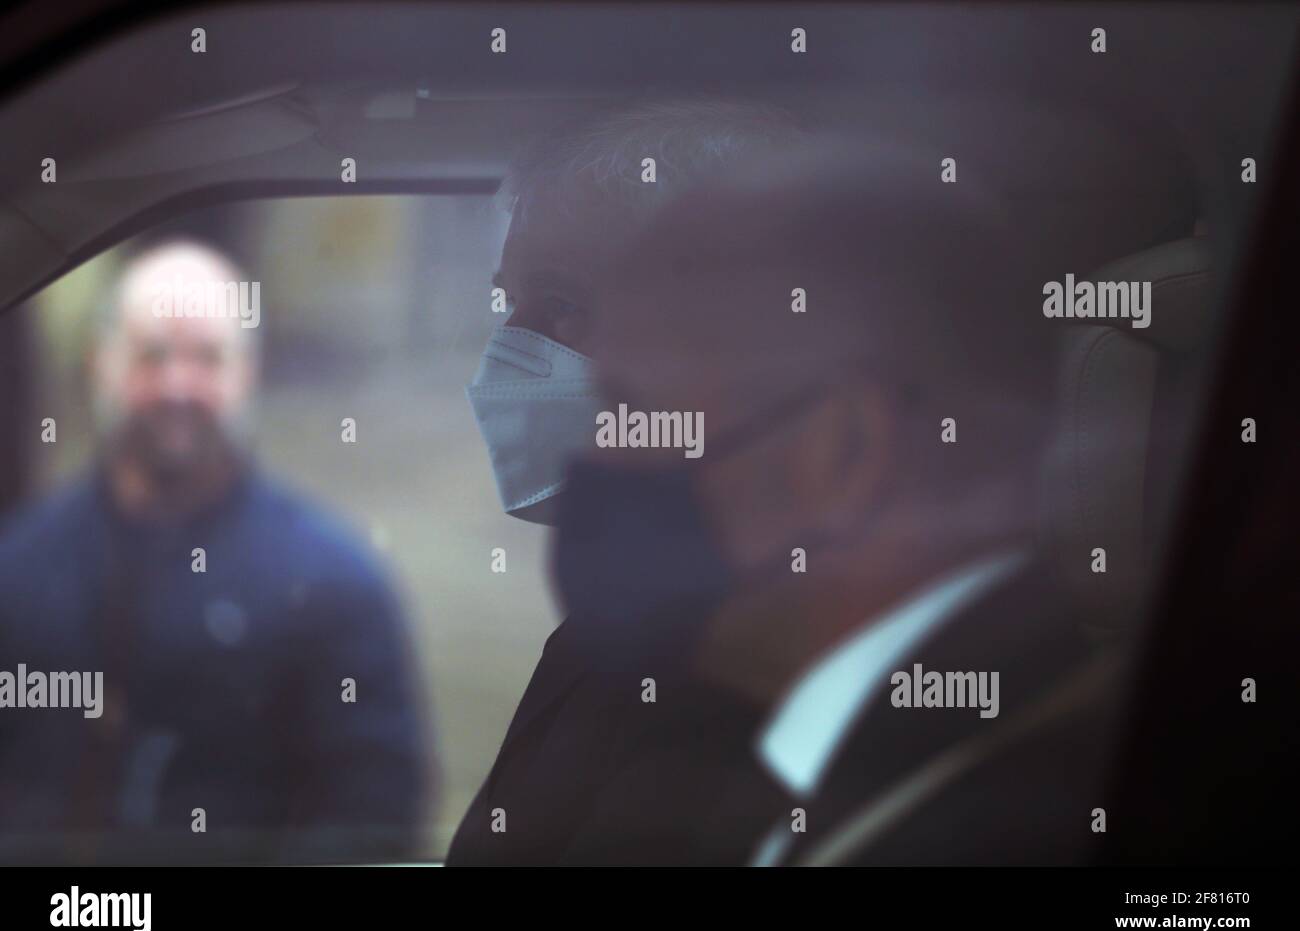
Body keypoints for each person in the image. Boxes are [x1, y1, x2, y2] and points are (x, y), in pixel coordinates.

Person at [555, 138, 1129, 865]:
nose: (597, 458)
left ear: (843, 452)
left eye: (631, 411)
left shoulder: (993, 823)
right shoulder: (871, 760)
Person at [449, 100, 806, 864]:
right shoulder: (618, 629)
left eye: (564, 304)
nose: (507, 358)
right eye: (510, 306)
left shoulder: (794, 679)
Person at [0, 240, 431, 864]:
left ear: (246, 372)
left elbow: (374, 819)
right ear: (101, 363)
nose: (178, 384)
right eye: (152, 355)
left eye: (207, 357)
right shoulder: (20, 567)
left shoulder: (334, 583)